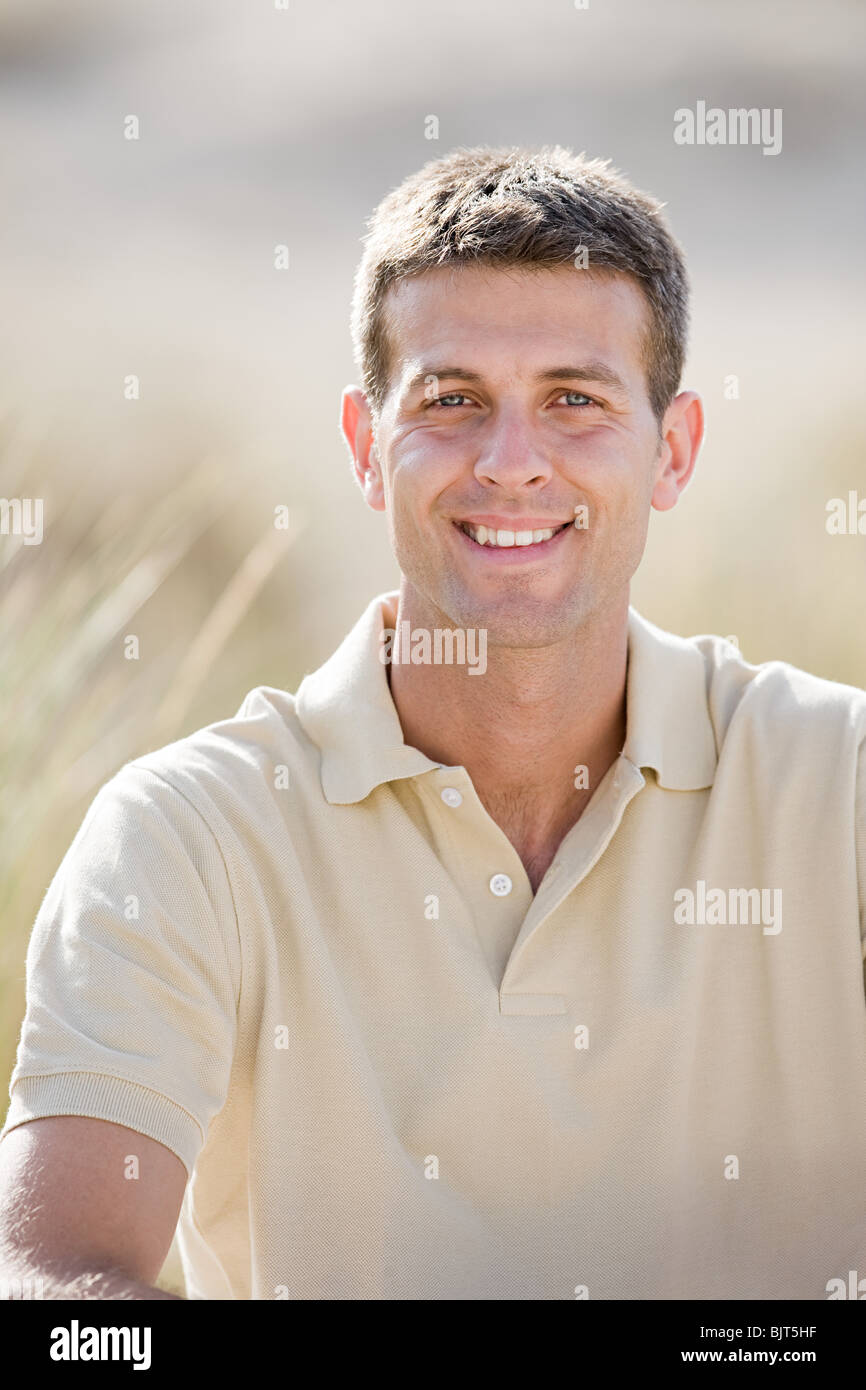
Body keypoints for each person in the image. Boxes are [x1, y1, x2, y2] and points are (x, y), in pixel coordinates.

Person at [1, 146, 864, 1301]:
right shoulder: (185, 837)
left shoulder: (838, 786)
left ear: (674, 450)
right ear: (367, 448)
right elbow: (51, 1281)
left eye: (576, 399)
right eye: (451, 400)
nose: (511, 464)